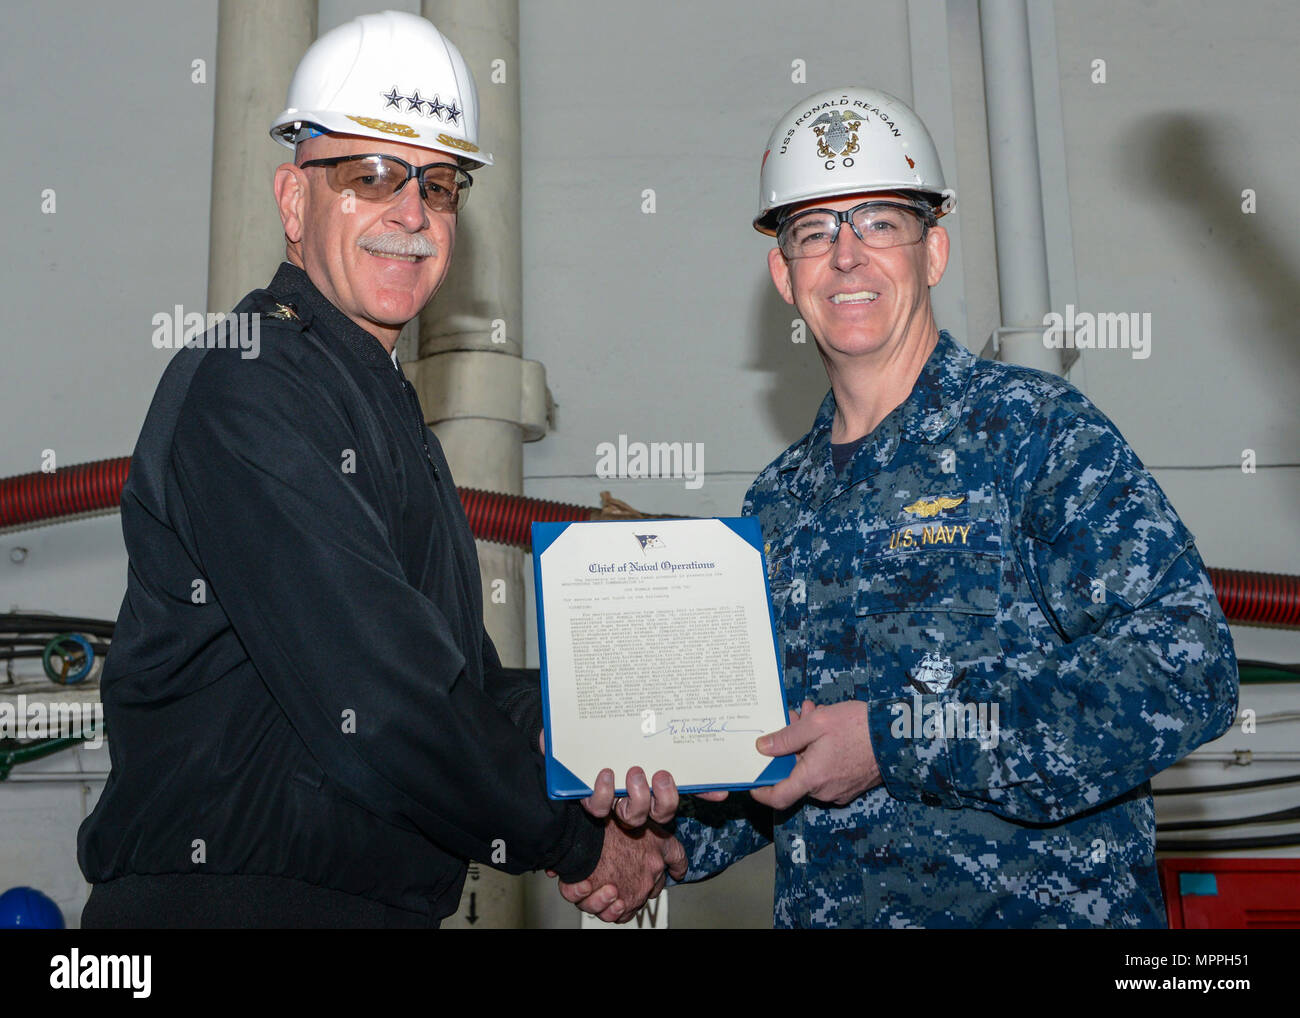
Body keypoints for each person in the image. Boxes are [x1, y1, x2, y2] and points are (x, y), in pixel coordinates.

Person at [575, 86, 1239, 928]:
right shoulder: (778, 503)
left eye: (880, 222)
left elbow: (1189, 666)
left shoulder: (1034, 431)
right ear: (785, 274)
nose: (847, 256)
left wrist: (901, 741)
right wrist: (670, 843)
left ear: (934, 252)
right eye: (814, 232)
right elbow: (777, 750)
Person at [77, 10, 678, 928]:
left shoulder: (378, 407)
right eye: (371, 176)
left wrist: (600, 737)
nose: (410, 213)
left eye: (439, 186)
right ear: (292, 198)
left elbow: (460, 685)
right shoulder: (251, 386)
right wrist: (579, 839)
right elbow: (382, 699)